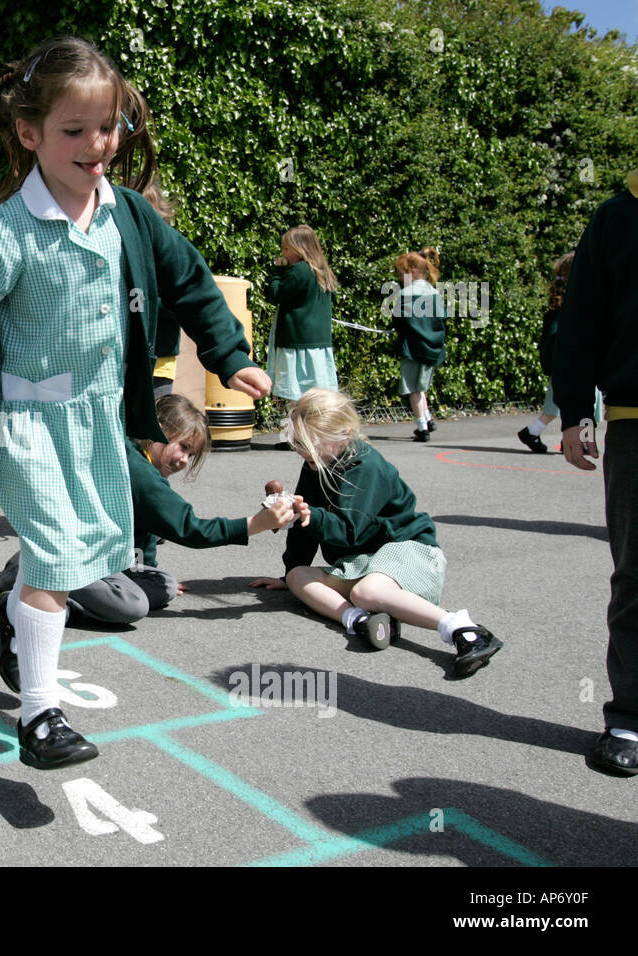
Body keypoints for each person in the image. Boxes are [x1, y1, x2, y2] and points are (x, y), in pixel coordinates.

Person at [0, 36, 270, 770]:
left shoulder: (130, 217)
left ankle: (4, 617)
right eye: (73, 130)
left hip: (101, 418)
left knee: (81, 554)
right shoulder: (5, 233)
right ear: (28, 134)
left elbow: (191, 282)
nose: (94, 144)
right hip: (24, 423)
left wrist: (230, 355)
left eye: (106, 127)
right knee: (50, 556)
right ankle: (42, 716)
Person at [0, 394, 304, 633]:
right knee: (132, 604)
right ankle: (31, 582)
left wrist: (149, 574)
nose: (184, 461)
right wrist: (255, 524)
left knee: (161, 585)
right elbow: (191, 529)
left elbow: (143, 531)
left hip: (92, 550)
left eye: (191, 454)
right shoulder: (141, 474)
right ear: (159, 429)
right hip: (80, 551)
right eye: (183, 447)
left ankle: (45, 584)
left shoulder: (136, 455)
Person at [249, 388, 503, 677]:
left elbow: (348, 531)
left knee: (367, 590)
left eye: (309, 443)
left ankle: (463, 628)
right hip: (365, 560)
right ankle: (360, 620)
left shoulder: (366, 466)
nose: (301, 450)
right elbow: (307, 528)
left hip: (409, 549)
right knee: (299, 576)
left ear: (343, 434)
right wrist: (290, 568)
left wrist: (308, 514)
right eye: (299, 442)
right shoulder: (316, 462)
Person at [554, 170, 638, 776]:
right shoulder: (617, 217)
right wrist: (577, 411)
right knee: (636, 577)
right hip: (637, 419)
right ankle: (631, 717)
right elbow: (581, 322)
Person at [517, 252, 602, 453]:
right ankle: (539, 433)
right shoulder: (571, 307)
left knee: (563, 405)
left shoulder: (564, 305)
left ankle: (540, 433)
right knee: (580, 404)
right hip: (573, 365)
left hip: (570, 364)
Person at [263, 225, 338, 416]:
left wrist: (277, 271)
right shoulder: (323, 271)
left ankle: (295, 433)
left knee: (294, 391)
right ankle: (316, 430)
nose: (284, 252)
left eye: (287, 248)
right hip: (319, 343)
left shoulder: (298, 271)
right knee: (318, 392)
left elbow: (275, 294)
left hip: (296, 341)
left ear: (299, 249)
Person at [392, 247, 446, 442]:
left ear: (412, 271)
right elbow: (442, 317)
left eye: (401, 273)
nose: (399, 277)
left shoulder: (406, 294)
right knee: (421, 386)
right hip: (432, 348)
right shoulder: (433, 292)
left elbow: (398, 322)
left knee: (413, 389)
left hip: (412, 349)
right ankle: (429, 419)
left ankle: (422, 427)